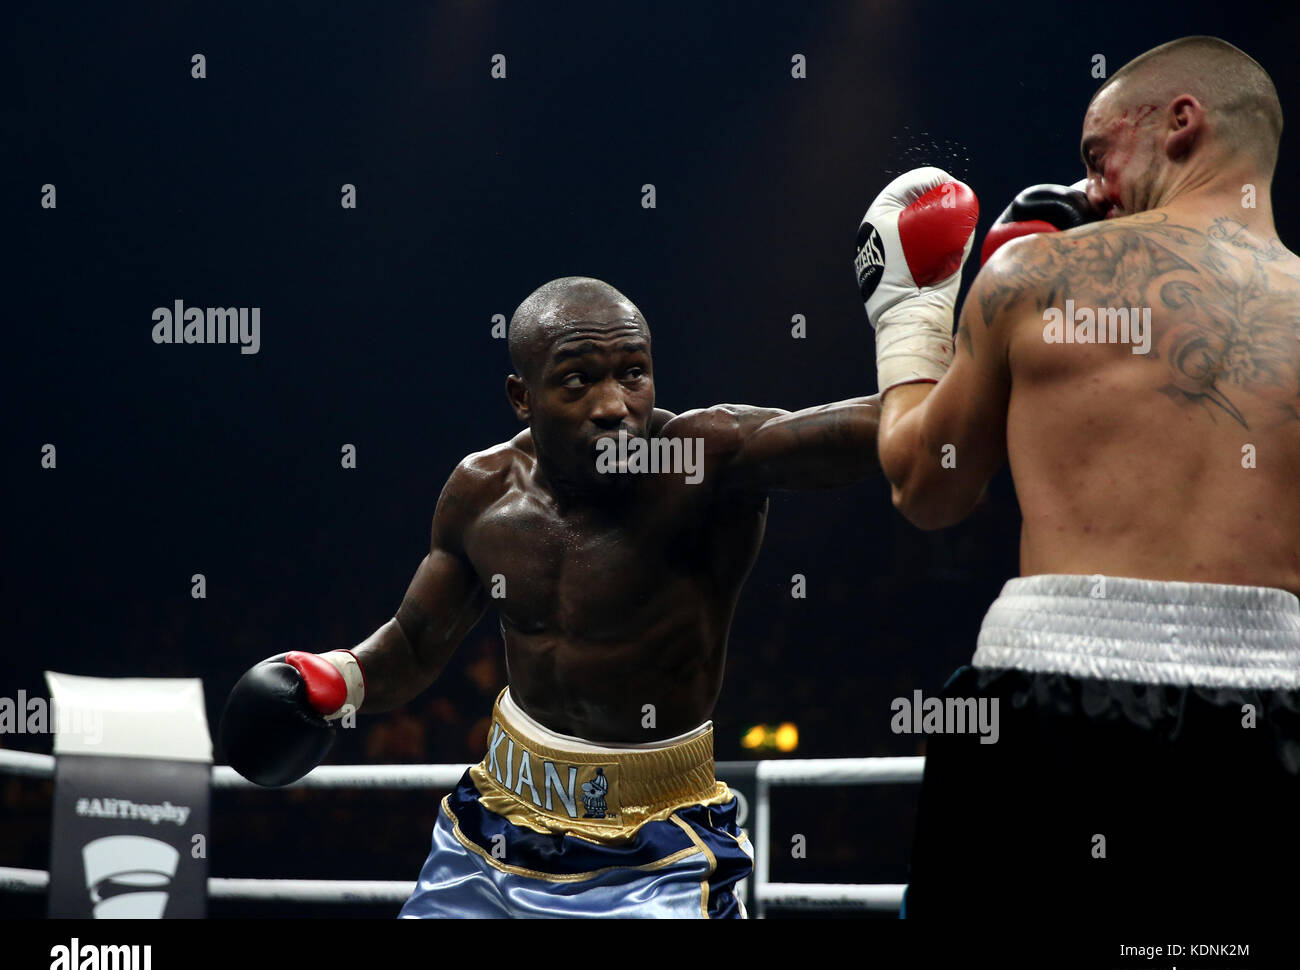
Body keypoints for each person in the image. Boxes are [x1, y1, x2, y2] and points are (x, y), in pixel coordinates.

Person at [221, 275, 881, 918]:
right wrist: (338, 679)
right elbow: (416, 644)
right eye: (578, 379)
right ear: (522, 395)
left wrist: (915, 315)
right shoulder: (483, 492)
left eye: (633, 373)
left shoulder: (707, 461)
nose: (614, 404)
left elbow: (876, 432)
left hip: (654, 838)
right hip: (495, 822)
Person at [858, 35, 1300, 920]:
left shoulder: (1035, 272)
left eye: (1100, 155)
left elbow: (926, 486)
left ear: (1182, 122)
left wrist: (911, 313)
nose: (1091, 188)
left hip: (1051, 693)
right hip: (1271, 709)